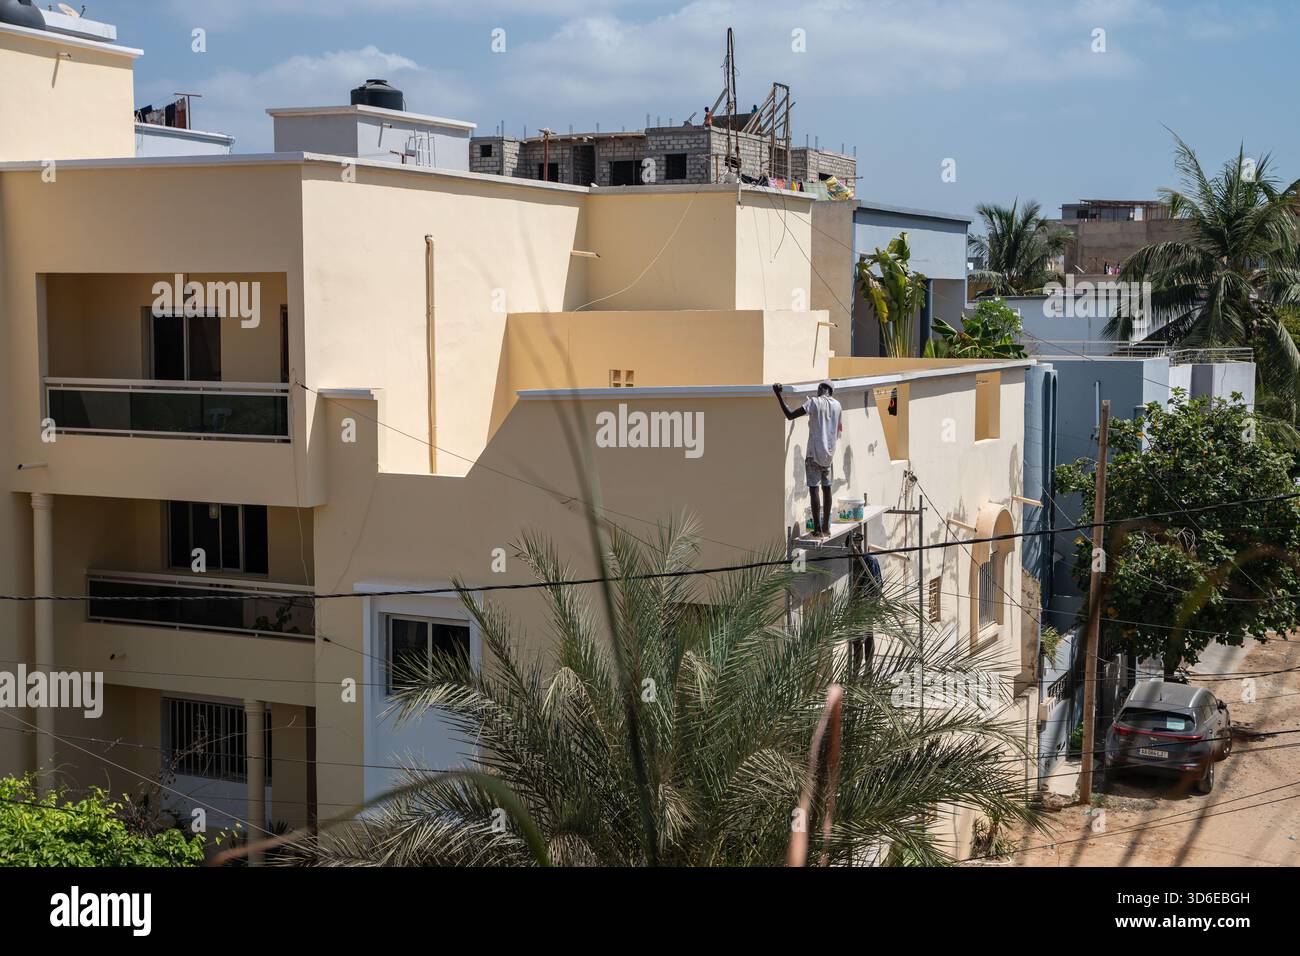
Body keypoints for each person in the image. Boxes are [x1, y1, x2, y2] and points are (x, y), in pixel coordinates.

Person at [773, 380, 842, 538]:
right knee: (827, 488)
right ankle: (826, 528)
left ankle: (817, 530)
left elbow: (790, 415)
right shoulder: (838, 405)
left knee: (814, 489)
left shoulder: (814, 402)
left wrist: (778, 395)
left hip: (814, 453)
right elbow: (838, 430)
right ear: (830, 391)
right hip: (829, 455)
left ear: (820, 389)